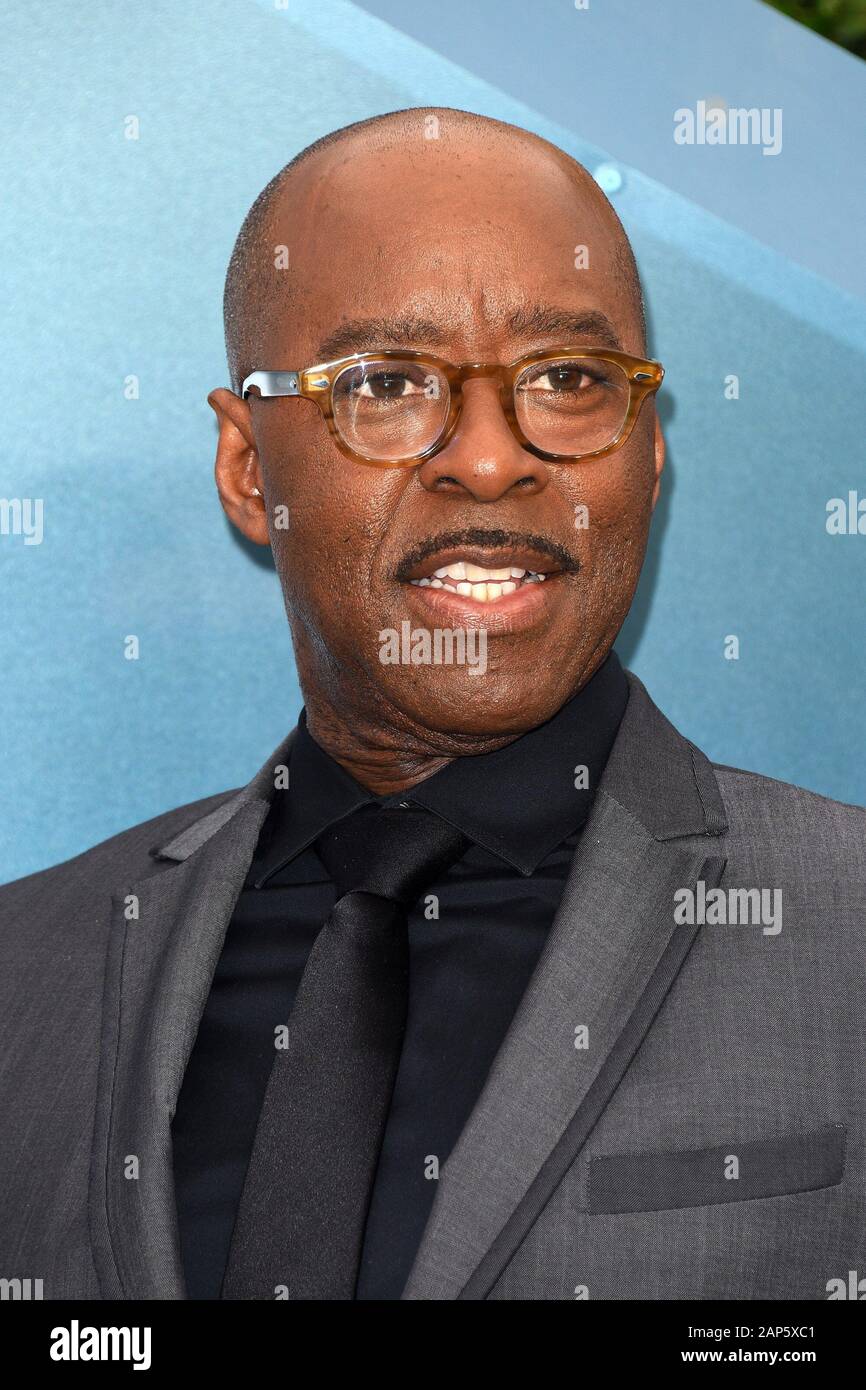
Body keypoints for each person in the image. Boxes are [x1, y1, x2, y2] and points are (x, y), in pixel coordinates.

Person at [1, 107, 863, 1302]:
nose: (490, 458)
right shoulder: (24, 966)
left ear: (649, 452)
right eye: (387, 383)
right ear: (249, 470)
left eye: (565, 379)